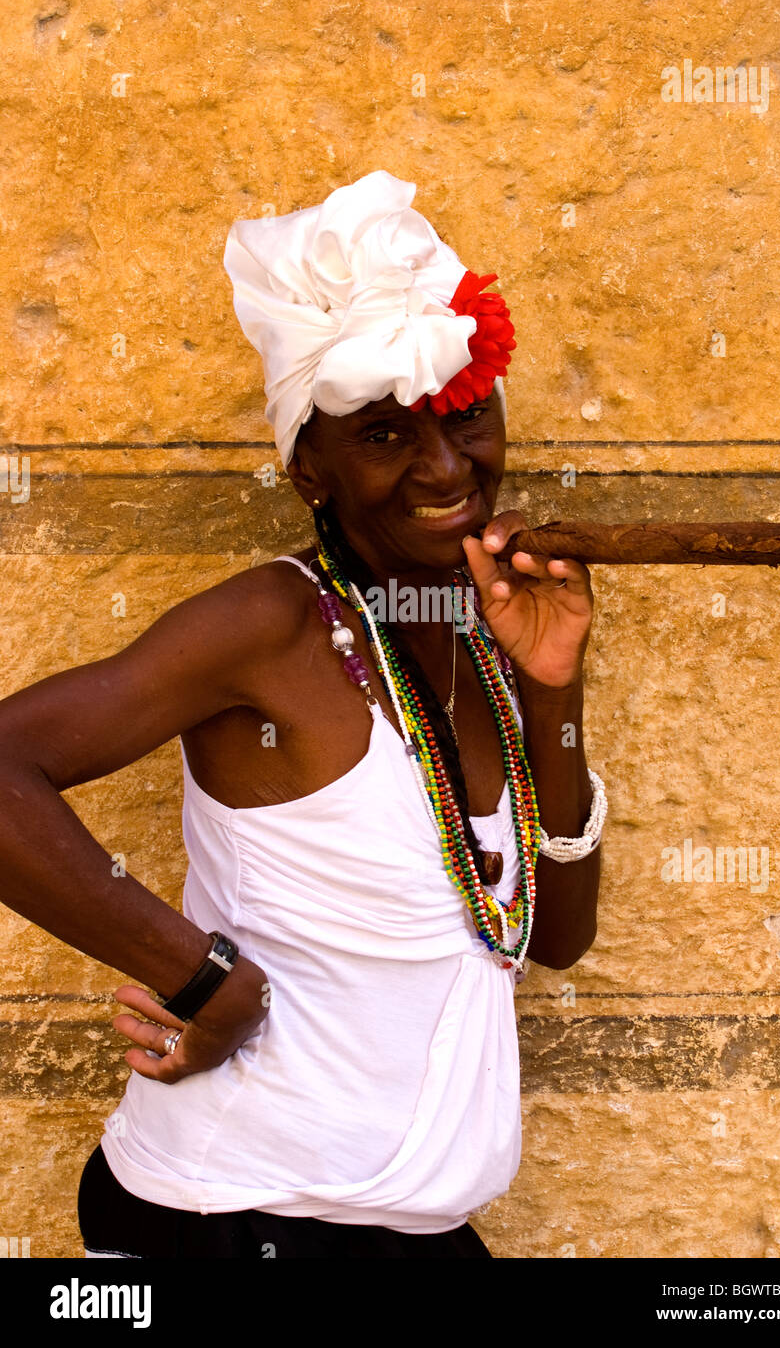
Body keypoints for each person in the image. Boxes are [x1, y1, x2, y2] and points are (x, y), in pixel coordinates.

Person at [0, 170, 604, 1259]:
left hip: (420, 1231)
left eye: (462, 415)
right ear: (309, 472)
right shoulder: (275, 625)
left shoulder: (477, 628)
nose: (443, 466)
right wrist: (207, 983)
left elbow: (551, 937)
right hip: (233, 1219)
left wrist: (555, 685)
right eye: (382, 436)